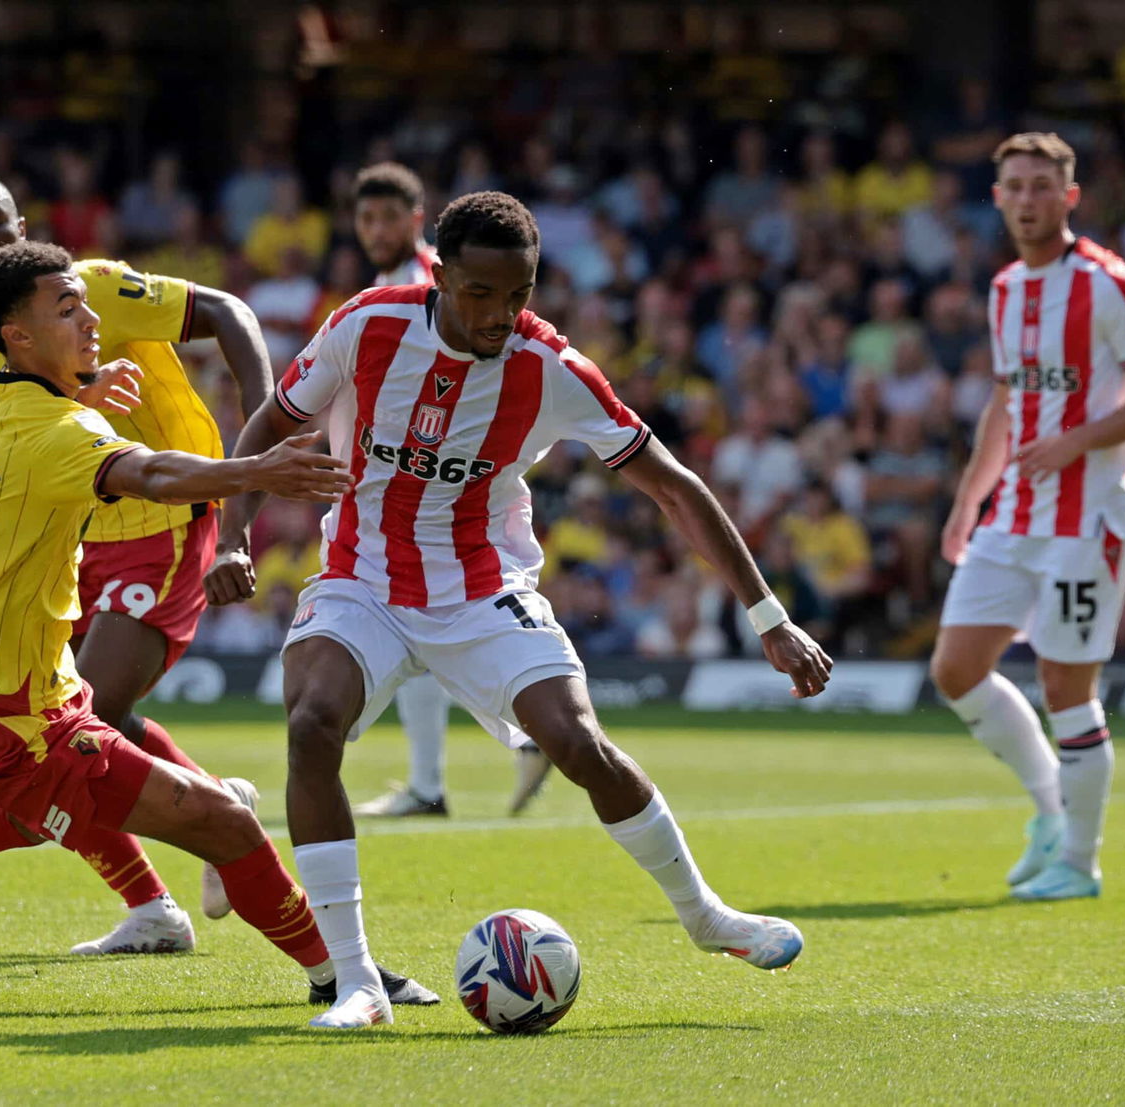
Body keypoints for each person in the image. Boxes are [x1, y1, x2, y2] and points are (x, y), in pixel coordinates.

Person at [205, 192, 833, 1029]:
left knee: (577, 741)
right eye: (480, 293)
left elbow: (675, 488)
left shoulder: (552, 368)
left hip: (482, 587)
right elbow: (271, 422)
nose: (500, 314)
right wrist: (232, 537)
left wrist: (770, 618)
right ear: (441, 275)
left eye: (518, 294)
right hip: (362, 579)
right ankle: (357, 981)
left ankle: (705, 915)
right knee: (312, 722)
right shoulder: (366, 324)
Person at [0, 241, 434, 1012]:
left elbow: (38, 437)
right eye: (68, 309)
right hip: (12, 713)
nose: (92, 318)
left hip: (2, 686)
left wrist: (83, 390)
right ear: (17, 336)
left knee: (37, 812)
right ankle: (340, 974)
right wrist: (256, 471)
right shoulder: (53, 432)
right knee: (224, 821)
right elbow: (153, 474)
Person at [0, 171, 292, 965]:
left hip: (163, 519)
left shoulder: (88, 287)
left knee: (74, 732)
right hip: (66, 539)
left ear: (21, 226)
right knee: (69, 738)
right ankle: (167, 884)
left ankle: (216, 833)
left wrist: (260, 435)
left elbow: (228, 312)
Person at [931, 133, 1125, 902]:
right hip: (1012, 515)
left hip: (1086, 521)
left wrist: (1075, 440)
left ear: (1069, 197)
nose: (1027, 199)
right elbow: (1006, 404)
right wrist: (970, 498)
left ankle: (1079, 860)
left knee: (1066, 687)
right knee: (955, 670)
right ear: (998, 198)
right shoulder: (1006, 287)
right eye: (1014, 186)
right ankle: (1049, 811)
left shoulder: (1111, 284)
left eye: (1042, 186)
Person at [343, 162, 554, 820]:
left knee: (416, 621)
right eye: (366, 218)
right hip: (400, 480)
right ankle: (471, 761)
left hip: (429, 489)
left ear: (416, 221)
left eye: (388, 217)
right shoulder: (385, 290)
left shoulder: (433, 287)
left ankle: (452, 771)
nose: (376, 229)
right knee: (423, 634)